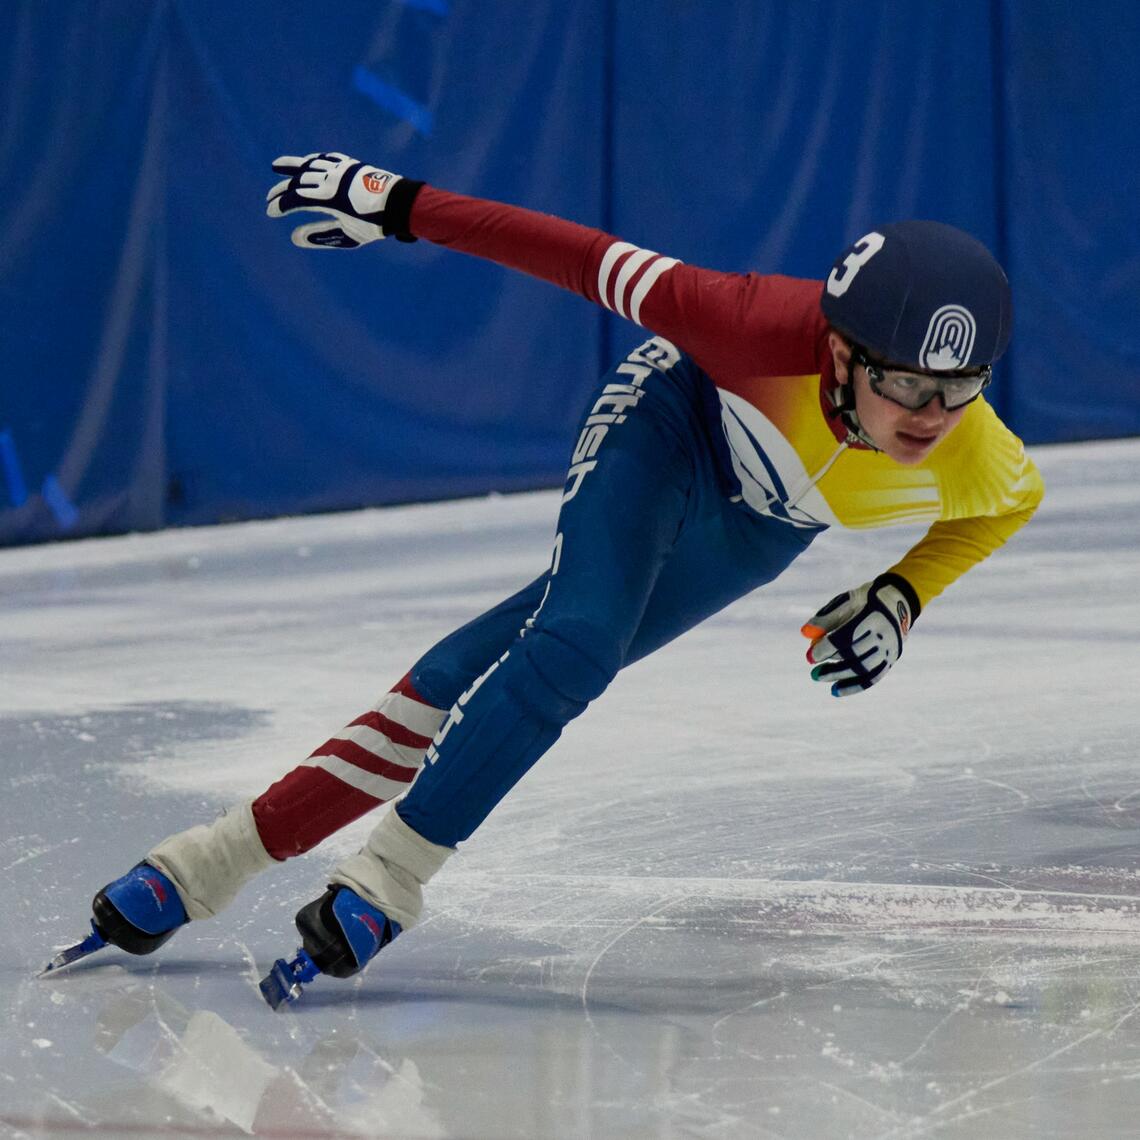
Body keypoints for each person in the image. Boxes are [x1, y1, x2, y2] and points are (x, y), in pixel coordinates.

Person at [61, 153, 1043, 1005]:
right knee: (577, 643)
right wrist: (397, 203)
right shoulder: (744, 321)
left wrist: (902, 595)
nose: (929, 416)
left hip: (763, 527)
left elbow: (1007, 506)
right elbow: (575, 254)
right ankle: (390, 881)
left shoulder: (972, 450)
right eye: (905, 384)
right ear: (839, 350)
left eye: (959, 388)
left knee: (488, 666)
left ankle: (214, 860)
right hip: (675, 427)